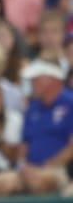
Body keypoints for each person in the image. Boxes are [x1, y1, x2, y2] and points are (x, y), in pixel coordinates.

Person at [20, 60, 73, 194]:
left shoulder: (70, 103)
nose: (32, 84)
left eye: (36, 80)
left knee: (39, 182)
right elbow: (25, 144)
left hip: (61, 168)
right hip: (31, 169)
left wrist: (46, 166)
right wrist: (23, 165)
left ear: (52, 80)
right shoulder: (32, 108)